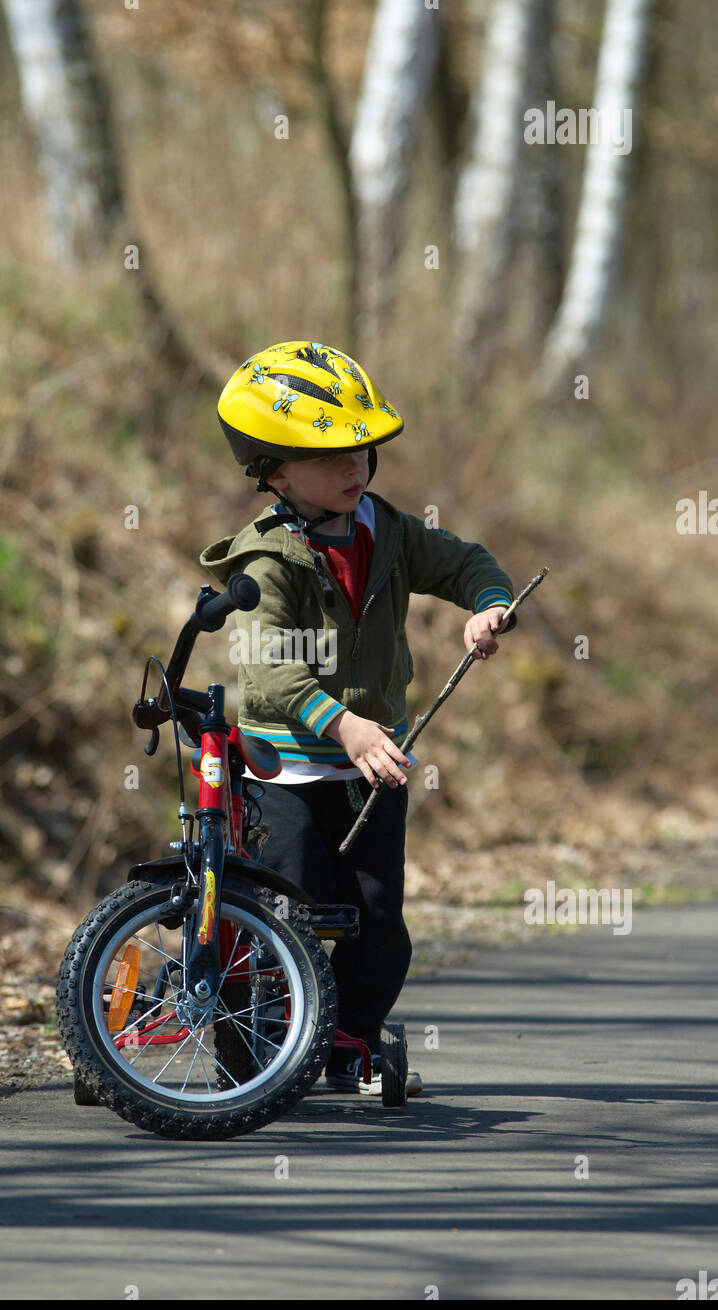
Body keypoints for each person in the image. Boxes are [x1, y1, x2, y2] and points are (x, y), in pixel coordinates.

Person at [199, 340, 516, 1095]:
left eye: (364, 450)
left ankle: (348, 1038)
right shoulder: (267, 560)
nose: (356, 468)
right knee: (285, 914)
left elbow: (464, 559)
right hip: (292, 769)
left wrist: (488, 605)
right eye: (332, 456)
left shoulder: (390, 531)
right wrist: (344, 725)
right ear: (274, 470)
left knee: (377, 920)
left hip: (375, 769)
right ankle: (265, 1044)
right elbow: (272, 672)